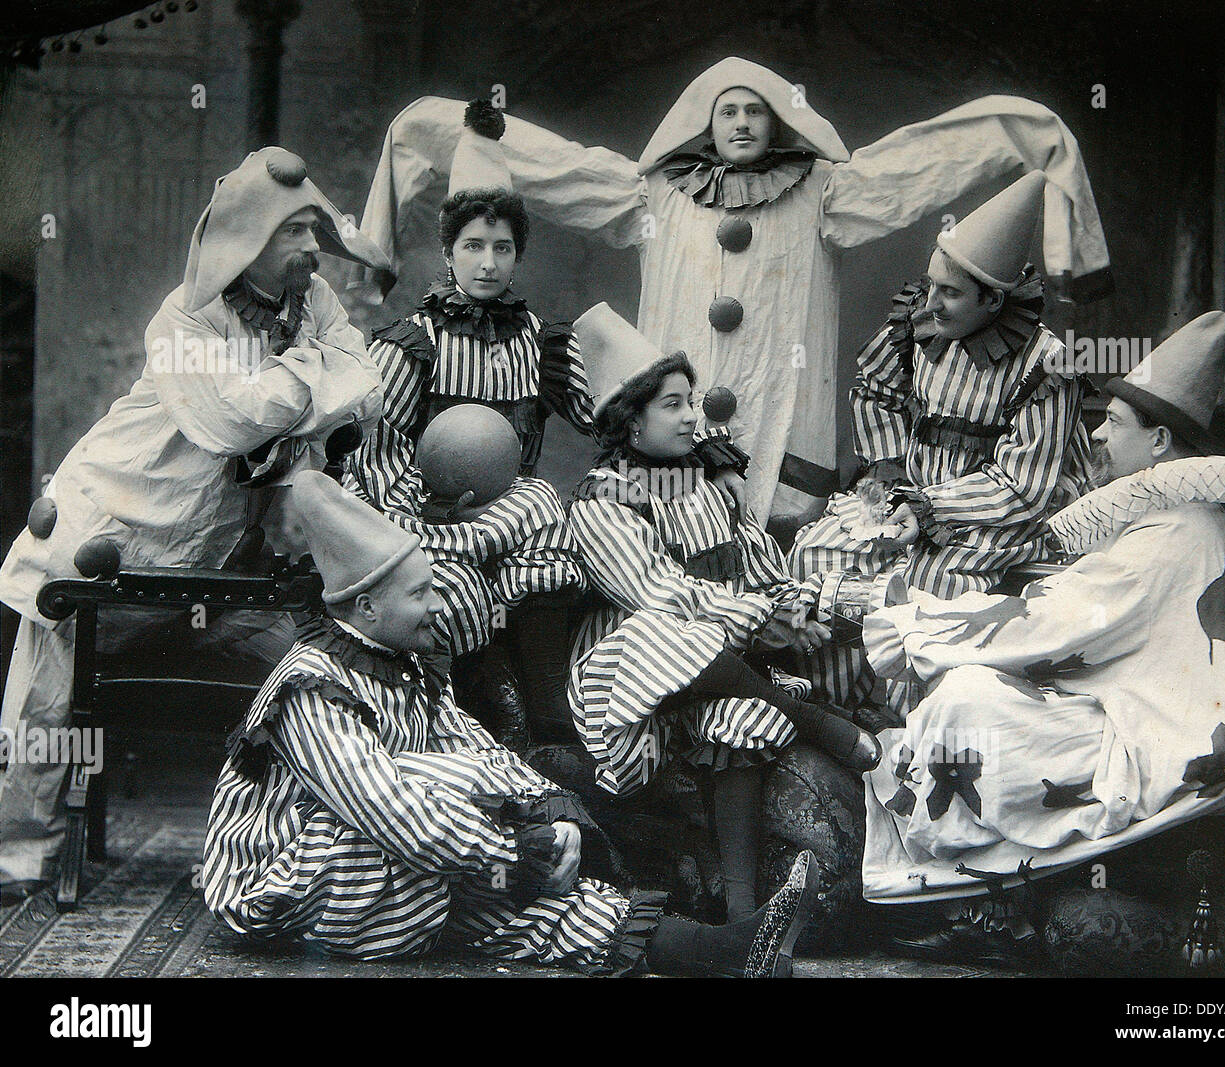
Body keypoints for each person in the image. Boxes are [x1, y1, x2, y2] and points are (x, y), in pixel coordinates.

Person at [359, 58, 1111, 532]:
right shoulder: (652, 192)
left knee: (781, 541)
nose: (744, 123)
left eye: (755, 111)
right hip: (677, 426)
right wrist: (479, 133)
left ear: (779, 119)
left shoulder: (824, 191)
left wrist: (1028, 133)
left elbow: (925, 161)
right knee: (680, 536)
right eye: (729, 112)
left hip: (787, 407)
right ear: (705, 124)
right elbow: (560, 168)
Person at [203, 470, 822, 977]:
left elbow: (474, 745)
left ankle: (728, 955)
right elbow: (387, 806)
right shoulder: (312, 686)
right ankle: (705, 943)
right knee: (453, 826)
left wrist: (549, 810)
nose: (439, 605)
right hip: (287, 877)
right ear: (365, 606)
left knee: (501, 882)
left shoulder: (406, 663)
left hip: (395, 849)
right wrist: (516, 848)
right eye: (420, 594)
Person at [0, 148, 389, 901]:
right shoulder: (180, 320)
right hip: (109, 523)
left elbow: (366, 384)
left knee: (300, 664)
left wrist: (297, 376)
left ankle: (318, 840)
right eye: (294, 232)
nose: (313, 249)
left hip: (209, 557)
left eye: (314, 229)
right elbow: (232, 422)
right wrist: (316, 373)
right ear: (247, 240)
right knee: (47, 702)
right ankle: (20, 851)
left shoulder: (315, 306)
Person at [857, 312, 1225, 907]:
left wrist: (911, 622)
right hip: (1145, 717)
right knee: (972, 695)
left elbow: (1058, 620)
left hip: (1160, 745)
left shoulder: (1175, 531)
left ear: (1159, 441)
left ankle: (974, 880)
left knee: (968, 701)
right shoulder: (1182, 517)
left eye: (1111, 421)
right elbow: (1078, 603)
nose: (1098, 437)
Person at [565, 304, 880, 923]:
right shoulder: (603, 502)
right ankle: (814, 721)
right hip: (637, 674)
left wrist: (792, 607)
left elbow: (762, 568)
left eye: (691, 400)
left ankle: (741, 918)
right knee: (666, 626)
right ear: (630, 425)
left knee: (745, 720)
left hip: (725, 665)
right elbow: (660, 594)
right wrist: (758, 617)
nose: (692, 417)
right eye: (672, 406)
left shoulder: (710, 486)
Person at [344, 101, 605, 742]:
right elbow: (378, 450)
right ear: (448, 250)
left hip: (514, 521)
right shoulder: (413, 342)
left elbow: (602, 414)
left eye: (502, 248)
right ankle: (474, 720)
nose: (487, 264)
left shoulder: (543, 340)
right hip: (425, 519)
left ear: (519, 254)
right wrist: (428, 509)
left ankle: (548, 717)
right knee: (455, 590)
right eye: (473, 247)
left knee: (556, 550)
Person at [790, 171, 1091, 706]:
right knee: (816, 552)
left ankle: (913, 736)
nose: (931, 303)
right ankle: (839, 709)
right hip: (911, 495)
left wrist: (932, 508)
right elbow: (875, 386)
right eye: (931, 284)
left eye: (950, 292)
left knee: (925, 588)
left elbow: (1026, 488)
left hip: (994, 519)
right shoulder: (923, 325)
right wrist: (890, 471)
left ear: (994, 301)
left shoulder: (1047, 366)